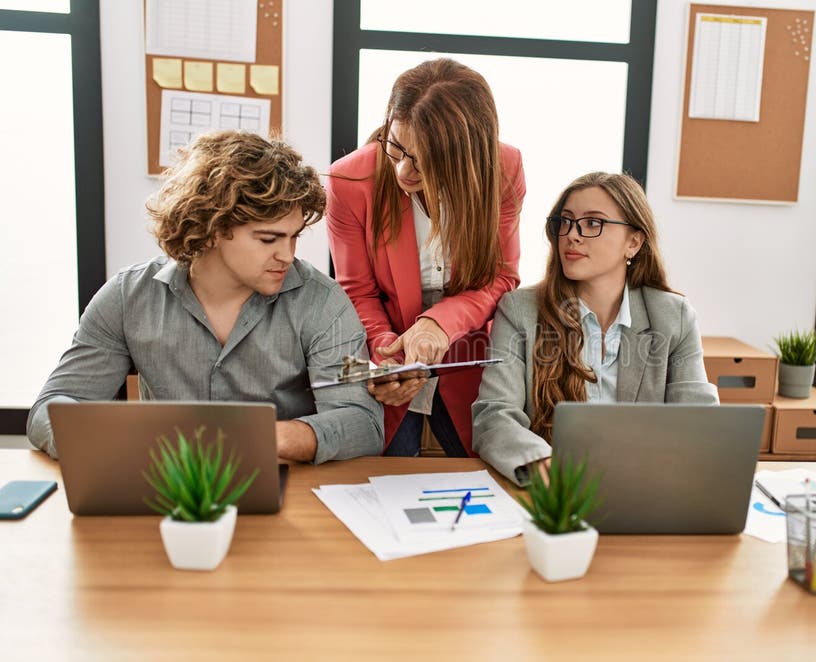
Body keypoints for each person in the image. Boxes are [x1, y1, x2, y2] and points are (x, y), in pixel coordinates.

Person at [27, 130, 384, 463]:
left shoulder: (322, 301)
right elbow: (51, 409)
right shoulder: (128, 296)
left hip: (288, 491)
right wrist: (120, 442)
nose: (287, 255)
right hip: (165, 492)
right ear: (212, 228)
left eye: (293, 237)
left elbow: (363, 424)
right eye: (268, 239)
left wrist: (268, 438)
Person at [327, 58, 525, 457]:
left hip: (468, 348)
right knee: (383, 475)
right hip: (384, 351)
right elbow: (357, 291)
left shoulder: (504, 169)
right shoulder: (348, 181)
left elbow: (500, 277)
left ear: (467, 157)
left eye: (424, 160)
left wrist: (439, 324)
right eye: (396, 147)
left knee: (486, 473)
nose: (402, 171)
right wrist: (389, 354)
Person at [472, 172, 719, 485]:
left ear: (633, 242)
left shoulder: (674, 316)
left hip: (644, 486)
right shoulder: (519, 310)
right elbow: (494, 415)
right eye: (565, 221)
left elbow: (698, 421)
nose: (572, 235)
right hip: (555, 493)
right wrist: (541, 462)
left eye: (592, 223)